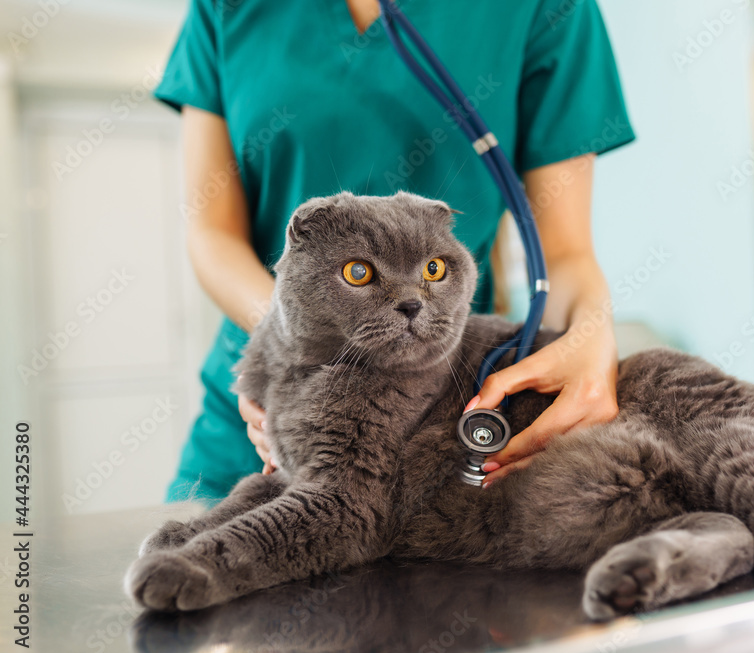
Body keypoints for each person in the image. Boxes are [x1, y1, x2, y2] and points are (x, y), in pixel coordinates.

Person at [155, 0, 635, 500]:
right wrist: (292, 352)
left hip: (442, 408)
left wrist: (591, 342)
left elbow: (564, 255)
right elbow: (212, 231)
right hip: (263, 410)